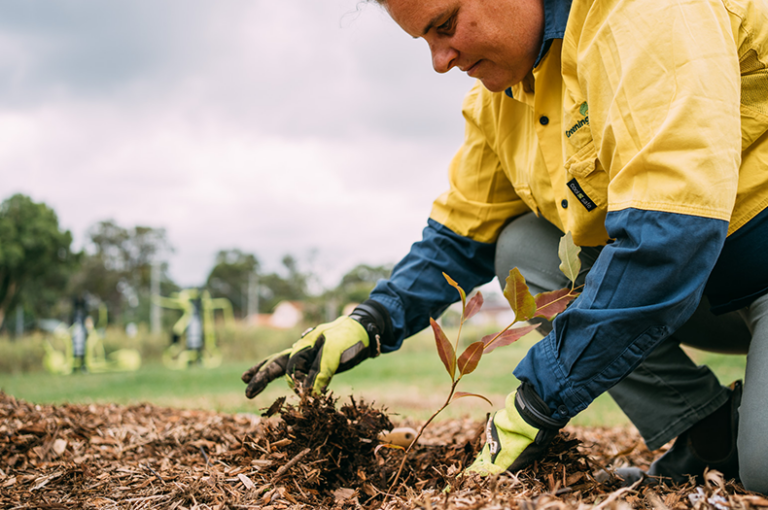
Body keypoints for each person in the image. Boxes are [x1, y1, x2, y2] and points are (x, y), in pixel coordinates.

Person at [242, 0, 768, 493]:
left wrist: (539, 401)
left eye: (445, 25)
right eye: (425, 40)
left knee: (765, 469)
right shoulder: (503, 97)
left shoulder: (645, 14)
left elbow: (670, 236)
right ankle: (711, 434)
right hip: (700, 289)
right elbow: (461, 236)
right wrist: (370, 320)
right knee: (523, 249)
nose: (440, 61)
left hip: (748, 266)